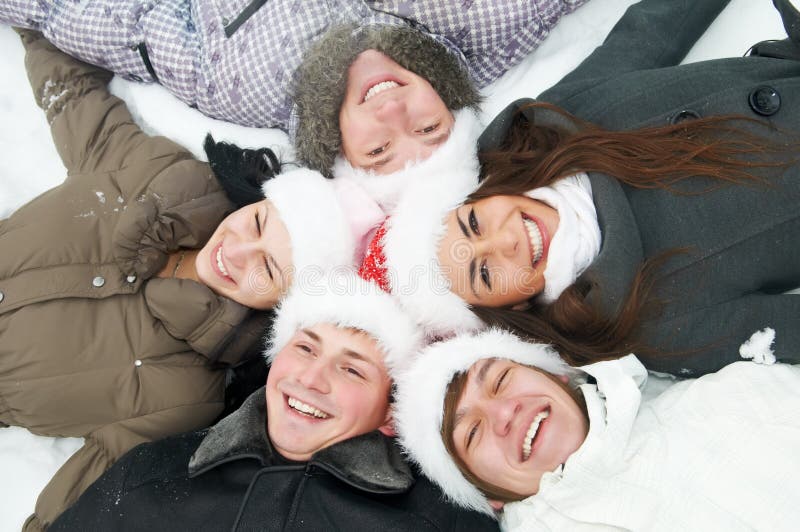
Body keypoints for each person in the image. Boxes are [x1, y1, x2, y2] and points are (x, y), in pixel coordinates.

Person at [0, 30, 362, 531]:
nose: (237, 251)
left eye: (268, 269)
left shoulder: (186, 396)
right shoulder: (156, 177)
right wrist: (36, 15)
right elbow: (74, 94)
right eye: (258, 223)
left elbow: (79, 504)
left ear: (285, 308)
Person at [359, 0, 800, 374]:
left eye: (474, 223)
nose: (505, 240)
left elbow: (645, 37)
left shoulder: (552, 125)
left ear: (479, 192)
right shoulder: (645, 327)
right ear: (512, 309)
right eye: (485, 273)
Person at [47, 274, 499, 532]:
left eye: (352, 370)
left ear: (389, 414)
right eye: (305, 348)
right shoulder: (154, 471)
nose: (311, 379)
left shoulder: (436, 518)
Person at [394, 327, 800, 531]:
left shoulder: (728, 391)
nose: (504, 414)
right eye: (472, 433)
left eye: (501, 379)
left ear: (557, 376)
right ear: (487, 495)